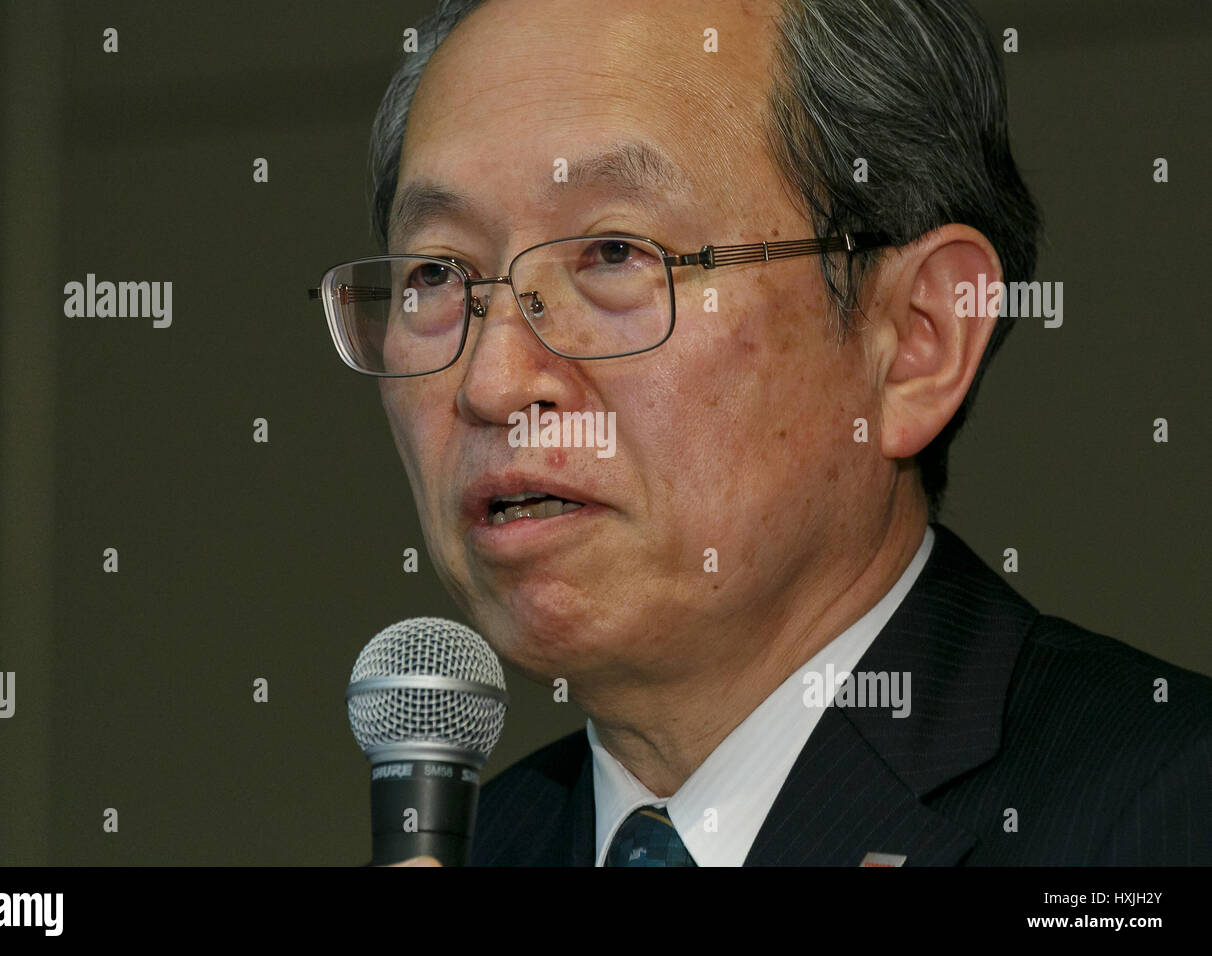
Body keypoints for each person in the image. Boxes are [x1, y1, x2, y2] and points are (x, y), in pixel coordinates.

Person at [321, 0, 1212, 865]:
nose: (494, 382)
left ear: (915, 341)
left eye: (616, 253)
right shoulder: (480, 846)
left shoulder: (1165, 809)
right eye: (436, 273)